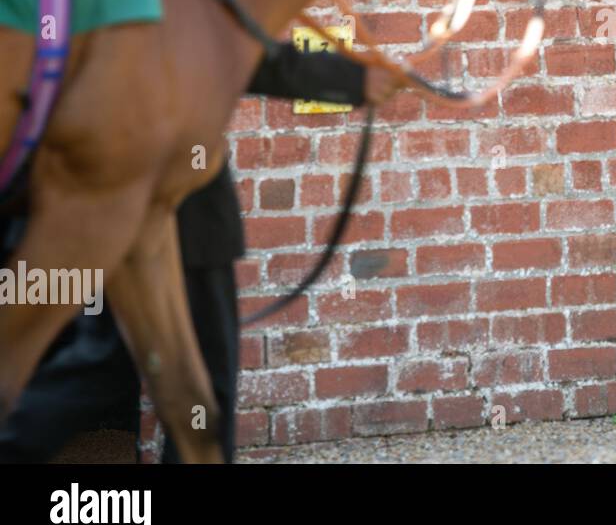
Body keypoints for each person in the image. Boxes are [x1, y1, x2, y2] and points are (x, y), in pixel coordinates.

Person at [0, 43, 402, 462]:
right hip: (179, 210)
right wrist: (352, 79)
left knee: (106, 365)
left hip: (133, 204)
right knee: (193, 381)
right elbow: (224, 48)